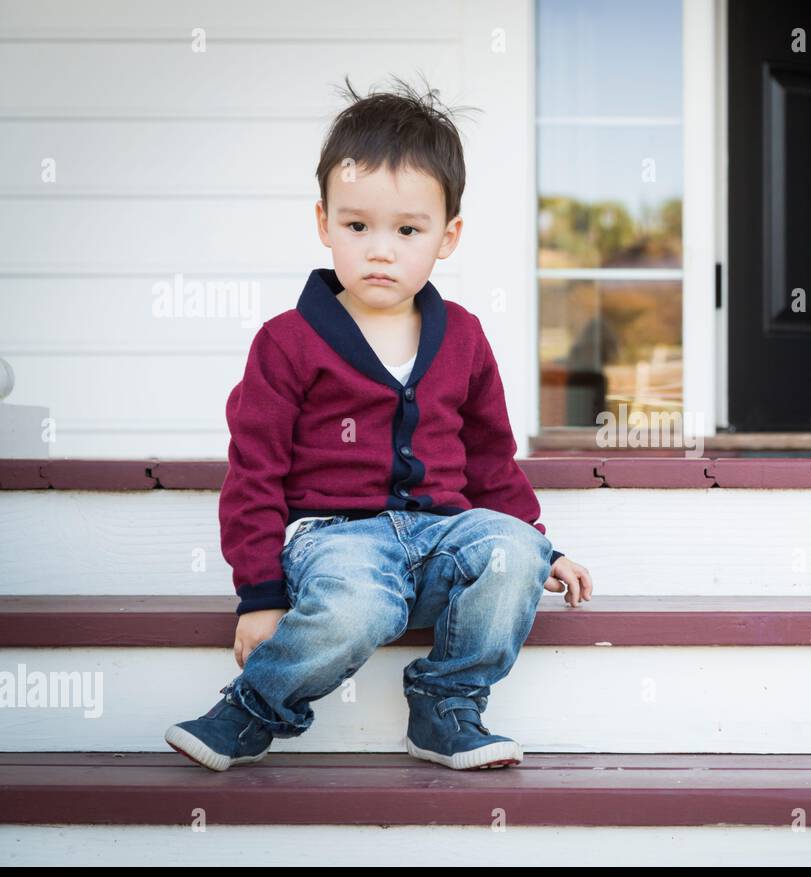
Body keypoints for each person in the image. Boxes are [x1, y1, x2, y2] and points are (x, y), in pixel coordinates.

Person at [165, 76, 592, 772]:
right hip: (335, 542)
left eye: (408, 230)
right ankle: (251, 708)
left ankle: (447, 708)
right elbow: (255, 472)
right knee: (356, 604)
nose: (381, 249)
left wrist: (544, 547)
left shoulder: (465, 339)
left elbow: (490, 459)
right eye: (357, 226)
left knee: (511, 549)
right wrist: (260, 597)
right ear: (323, 223)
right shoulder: (288, 341)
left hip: (438, 539)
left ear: (447, 236)